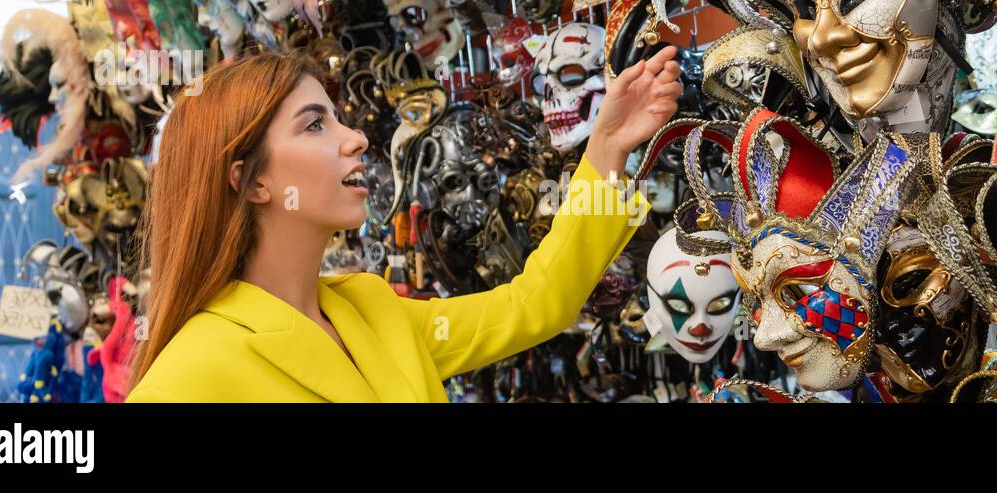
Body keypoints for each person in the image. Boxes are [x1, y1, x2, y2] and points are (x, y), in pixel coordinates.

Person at [127, 46, 684, 402]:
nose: (357, 138)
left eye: (338, 116)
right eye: (315, 124)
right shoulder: (188, 379)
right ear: (251, 182)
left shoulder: (369, 311)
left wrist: (607, 146)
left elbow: (534, 305)